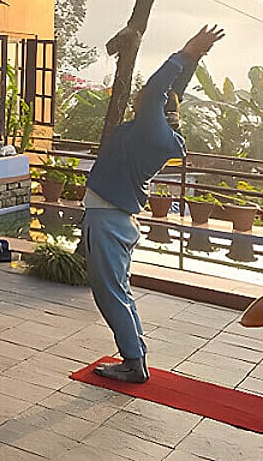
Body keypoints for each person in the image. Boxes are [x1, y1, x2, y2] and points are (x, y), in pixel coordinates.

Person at [82, 26, 224, 384]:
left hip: (108, 219)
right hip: (113, 216)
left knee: (110, 293)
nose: (138, 96)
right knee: (119, 291)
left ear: (154, 108)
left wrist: (185, 52)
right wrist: (191, 59)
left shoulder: (150, 130)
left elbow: (161, 88)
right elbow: (169, 92)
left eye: (143, 96)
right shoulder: (159, 130)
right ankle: (135, 355)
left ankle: (133, 362)